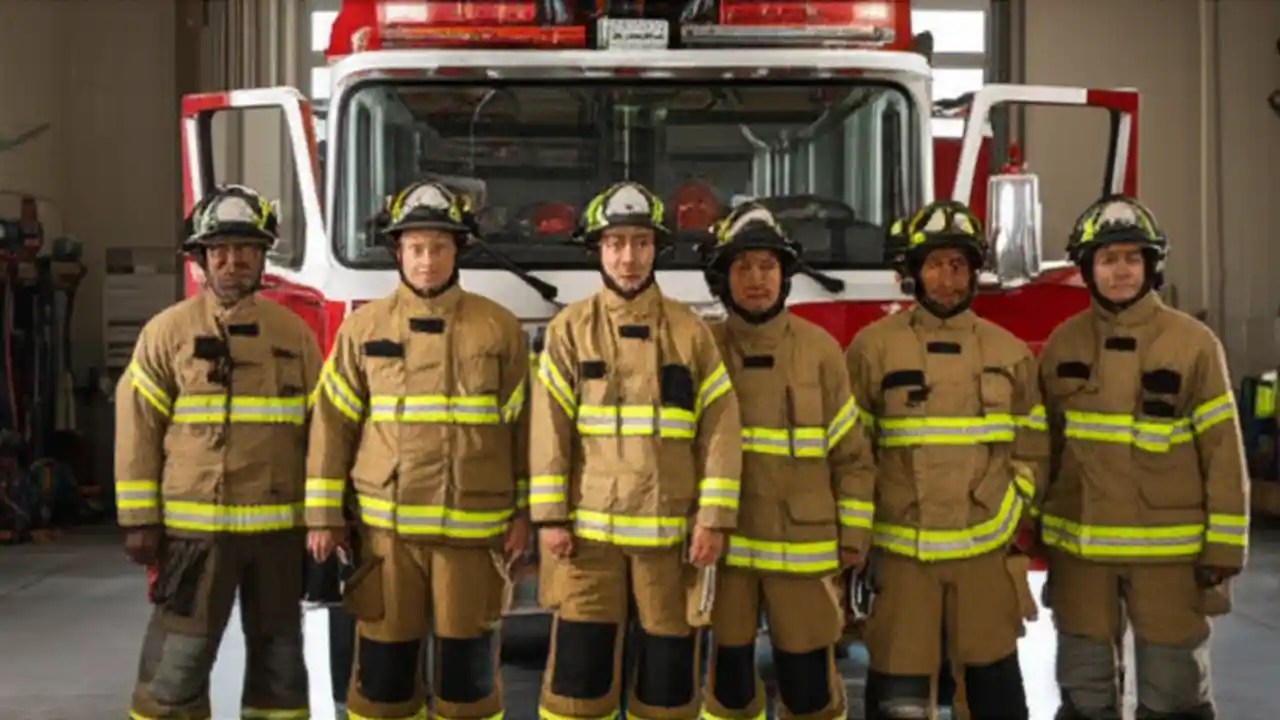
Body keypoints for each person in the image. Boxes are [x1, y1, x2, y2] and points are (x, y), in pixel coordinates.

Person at [305, 180, 531, 720]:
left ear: (458, 251)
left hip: (473, 535)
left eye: (438, 247)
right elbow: (332, 425)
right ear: (398, 252)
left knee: (468, 680)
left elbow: (525, 429)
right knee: (383, 678)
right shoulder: (363, 328)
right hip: (386, 538)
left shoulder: (499, 329)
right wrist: (323, 515)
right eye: (415, 248)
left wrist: (527, 513)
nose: (427, 260)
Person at [529, 181, 742, 720]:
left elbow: (719, 428)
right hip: (586, 543)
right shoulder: (569, 330)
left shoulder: (690, 331)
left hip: (669, 542)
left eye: (641, 243)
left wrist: (713, 520)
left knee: (668, 684)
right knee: (578, 683)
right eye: (616, 243)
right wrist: (550, 519)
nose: (628, 257)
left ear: (656, 250)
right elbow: (549, 429)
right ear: (598, 250)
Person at [1037, 195, 1249, 720]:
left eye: (1133, 258)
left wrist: (1224, 547)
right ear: (1087, 269)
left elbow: (1222, 451)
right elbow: (1042, 447)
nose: (1121, 271)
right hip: (1081, 552)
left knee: (1174, 691)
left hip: (1170, 558)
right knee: (1084, 692)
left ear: (1152, 265)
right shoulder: (1062, 345)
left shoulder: (1194, 344)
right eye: (1108, 260)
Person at [117, 184, 320, 719]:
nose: (233, 262)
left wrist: (325, 518)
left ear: (263, 257)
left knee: (280, 660)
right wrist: (140, 520)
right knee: (177, 661)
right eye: (220, 251)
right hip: (194, 537)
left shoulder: (295, 335)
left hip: (278, 534)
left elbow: (323, 432)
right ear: (201, 260)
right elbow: (138, 427)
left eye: (246, 250)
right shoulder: (168, 333)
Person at [845, 200, 1047, 719]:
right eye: (934, 264)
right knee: (899, 698)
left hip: (985, 557)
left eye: (958, 265)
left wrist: (1013, 505)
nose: (946, 278)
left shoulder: (1010, 353)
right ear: (913, 272)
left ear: (974, 273)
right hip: (901, 558)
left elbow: (1033, 445)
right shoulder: (872, 350)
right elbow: (852, 452)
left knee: (993, 692)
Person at [696, 202, 876, 718]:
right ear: (722, 278)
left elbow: (851, 455)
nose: (757, 279)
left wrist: (853, 535)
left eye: (768, 266)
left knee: (809, 687)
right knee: (728, 687)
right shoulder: (702, 348)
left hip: (803, 546)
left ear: (786, 275)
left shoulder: (819, 351)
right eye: (743, 267)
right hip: (725, 552)